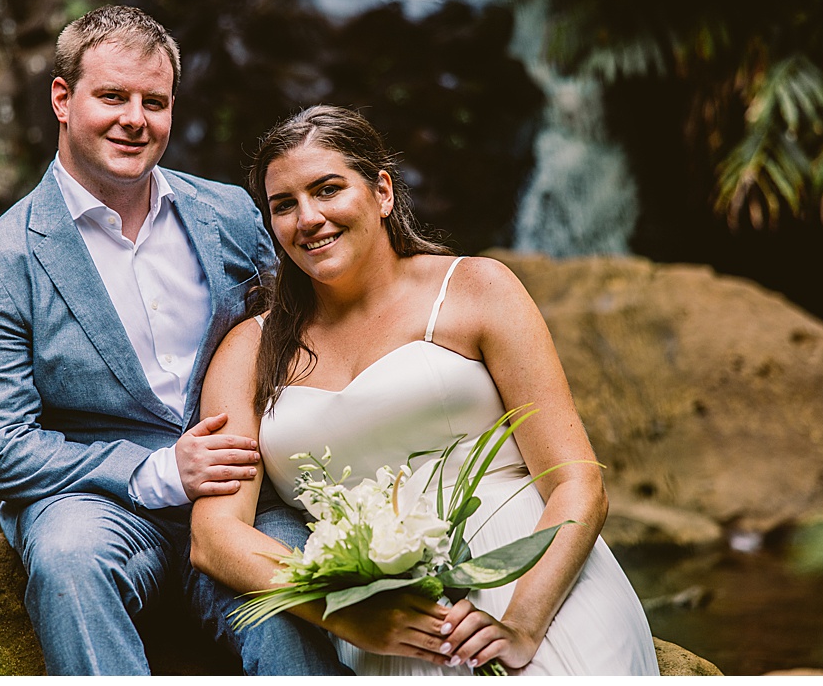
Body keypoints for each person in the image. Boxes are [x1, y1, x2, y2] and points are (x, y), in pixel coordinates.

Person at [189, 105, 661, 675]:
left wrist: (521, 623)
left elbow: (578, 481)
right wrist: (343, 609)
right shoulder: (248, 350)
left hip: (535, 577)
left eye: (327, 189)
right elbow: (215, 536)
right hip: (387, 622)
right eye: (283, 205)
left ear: (382, 191)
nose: (307, 218)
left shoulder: (478, 288)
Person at [0, 6, 345, 675]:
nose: (136, 118)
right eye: (112, 96)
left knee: (299, 593)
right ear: (62, 98)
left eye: (153, 101)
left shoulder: (230, 212)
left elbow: (302, 332)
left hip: (240, 493)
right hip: (94, 506)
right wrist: (155, 471)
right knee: (68, 561)